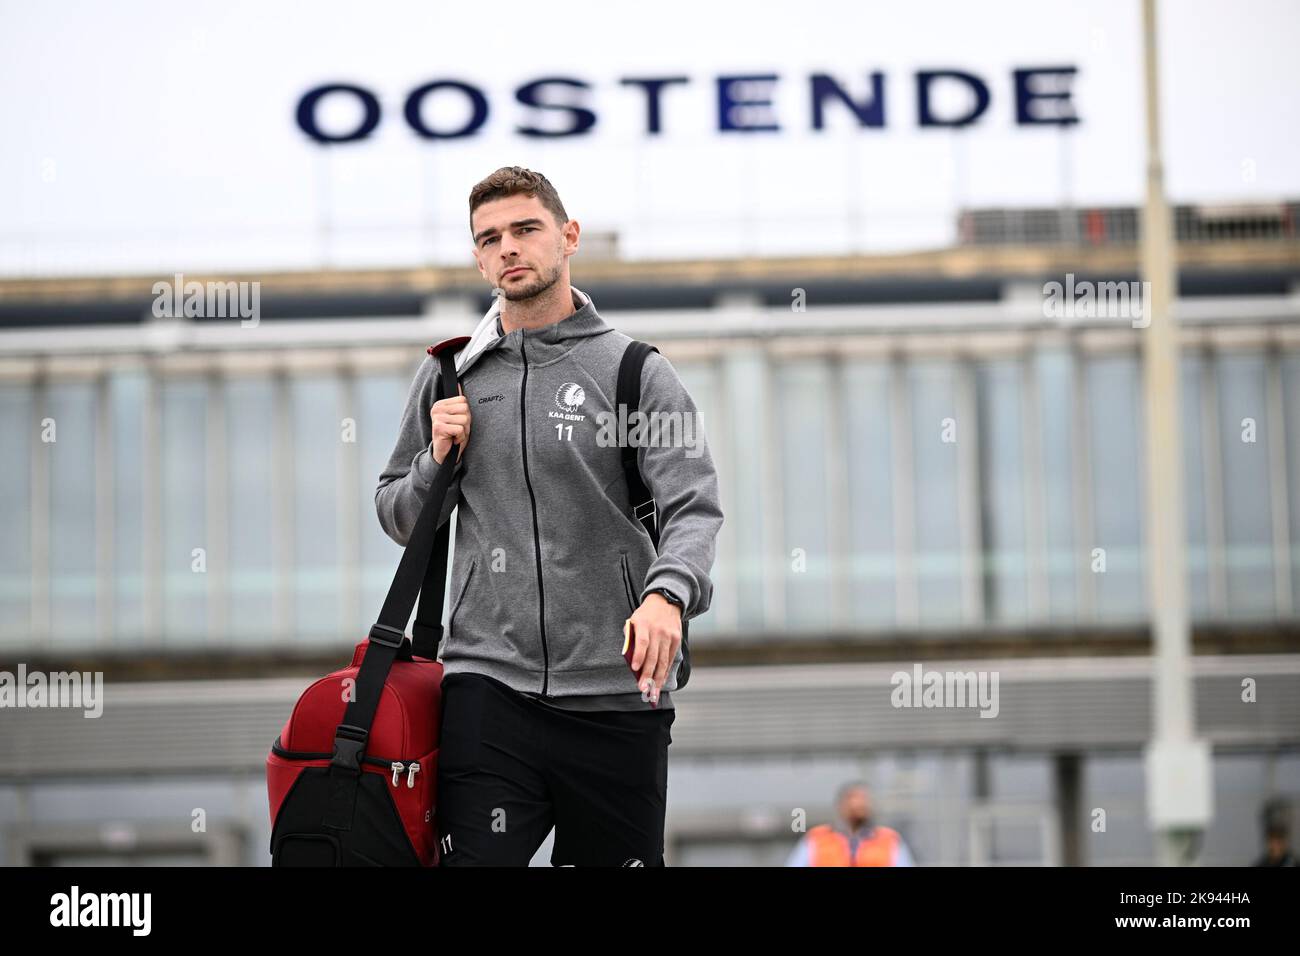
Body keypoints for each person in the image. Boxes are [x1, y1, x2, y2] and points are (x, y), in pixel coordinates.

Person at [375, 166, 724, 866]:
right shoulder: (449, 375)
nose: (508, 247)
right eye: (490, 238)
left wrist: (667, 596)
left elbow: (693, 505)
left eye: (525, 229)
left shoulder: (634, 372)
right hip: (487, 687)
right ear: (478, 257)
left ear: (567, 237)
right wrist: (436, 458)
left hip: (617, 691)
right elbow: (399, 516)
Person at [786, 781, 915, 866]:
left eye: (863, 800)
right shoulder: (817, 838)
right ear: (840, 805)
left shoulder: (889, 840)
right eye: (852, 800)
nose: (858, 805)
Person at [1252, 796, 1297, 867]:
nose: (1276, 844)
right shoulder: (1261, 864)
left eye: (1279, 838)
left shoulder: (1293, 863)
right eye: (1272, 838)